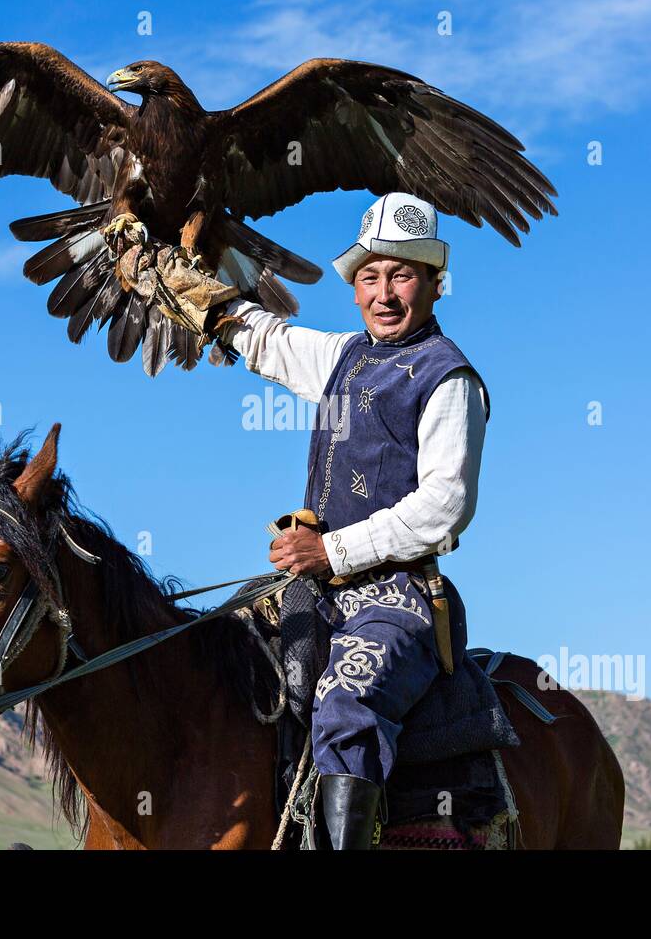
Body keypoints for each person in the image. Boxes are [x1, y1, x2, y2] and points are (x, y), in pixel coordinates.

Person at [211, 191, 489, 849]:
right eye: (370, 276)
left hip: (401, 598)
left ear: (433, 282)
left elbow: (447, 506)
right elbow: (268, 340)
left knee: (344, 704)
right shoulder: (343, 357)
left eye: (402, 275)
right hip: (314, 591)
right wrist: (195, 288)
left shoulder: (449, 378)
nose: (384, 293)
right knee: (217, 660)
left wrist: (331, 551)